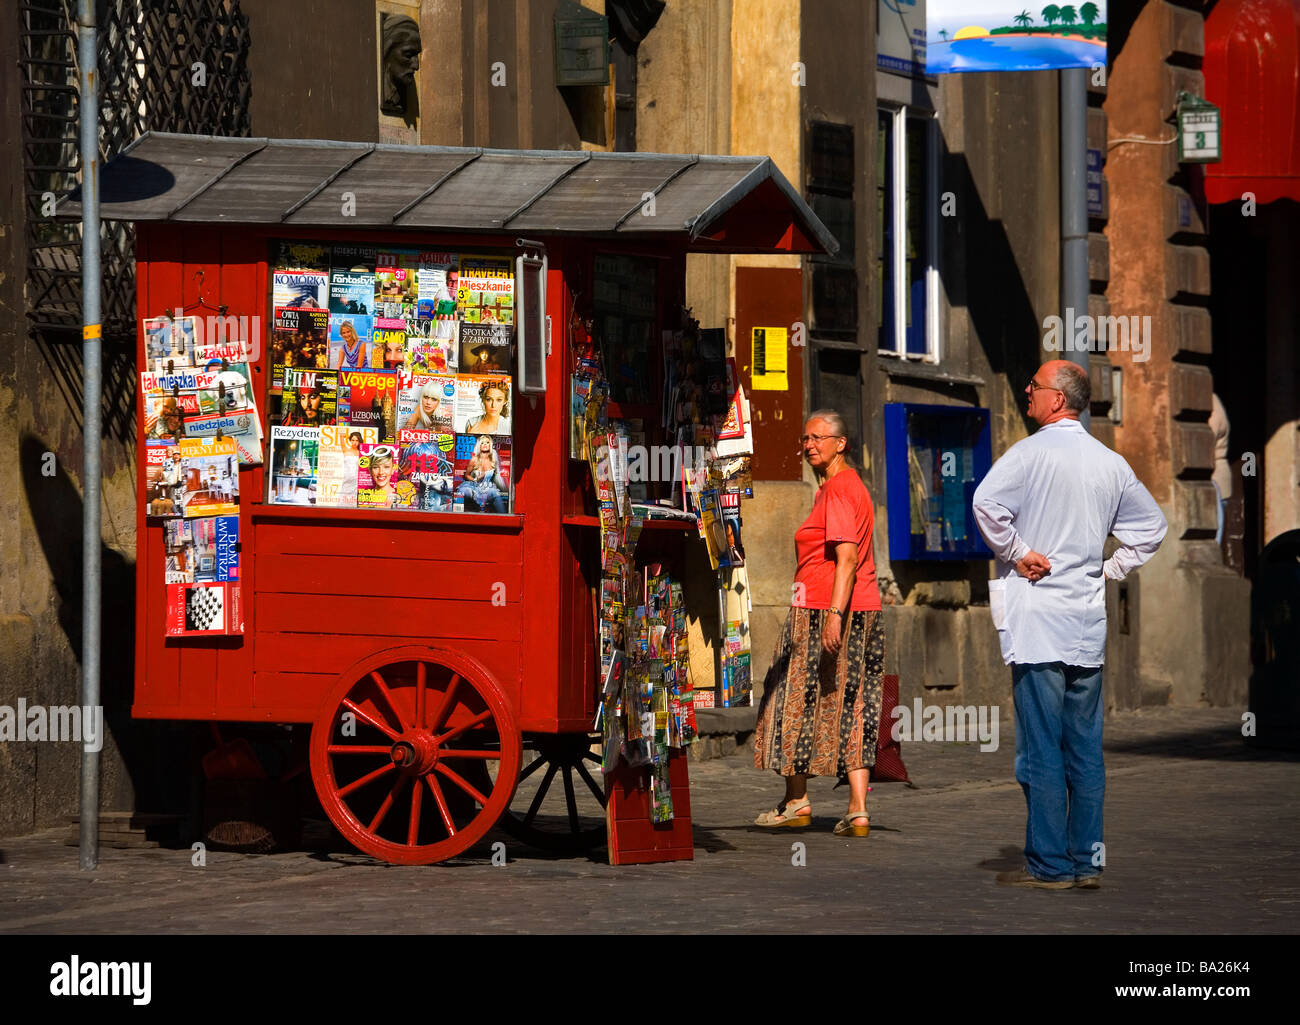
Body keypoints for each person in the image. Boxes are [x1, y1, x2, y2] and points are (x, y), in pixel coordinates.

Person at [973, 360, 1167, 890]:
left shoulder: (1030, 454)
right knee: (1083, 750)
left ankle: (1050, 864)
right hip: (1086, 624)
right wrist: (1109, 568)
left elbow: (985, 503)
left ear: (1057, 399)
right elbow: (1151, 529)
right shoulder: (1110, 463)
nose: (1027, 393)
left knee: (1040, 749)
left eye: (1033, 386)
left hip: (1038, 622)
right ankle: (1086, 861)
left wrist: (1018, 551)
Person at [752, 409, 885, 837]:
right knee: (854, 704)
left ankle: (796, 800)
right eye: (805, 438)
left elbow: (846, 560)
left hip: (825, 611)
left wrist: (833, 616)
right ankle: (858, 810)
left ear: (840, 443)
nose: (809, 445)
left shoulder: (841, 490)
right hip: (856, 610)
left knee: (791, 699)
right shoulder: (838, 488)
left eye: (818, 438)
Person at [1209, 392, 1231, 548]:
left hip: (1212, 480)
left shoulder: (1206, 400)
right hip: (1214, 480)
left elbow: (1203, 441)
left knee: (1210, 545)